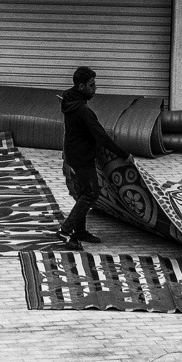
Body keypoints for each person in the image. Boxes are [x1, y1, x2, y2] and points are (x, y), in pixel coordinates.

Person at [53, 66, 127, 248]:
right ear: (81, 87)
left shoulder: (69, 100)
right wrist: (124, 155)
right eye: (92, 85)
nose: (95, 88)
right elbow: (100, 136)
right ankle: (65, 231)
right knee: (91, 194)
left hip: (73, 154)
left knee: (82, 193)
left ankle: (80, 231)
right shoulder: (83, 111)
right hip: (82, 157)